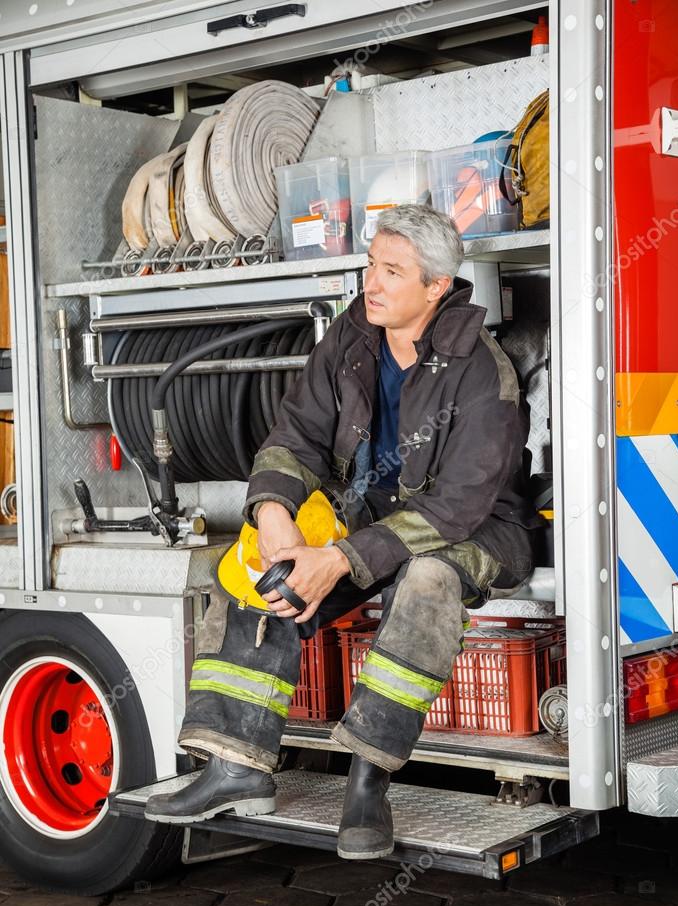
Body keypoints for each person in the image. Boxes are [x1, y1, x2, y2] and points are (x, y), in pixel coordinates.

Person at [145, 204, 538, 859]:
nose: (371, 284)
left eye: (391, 271)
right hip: (366, 516)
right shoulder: (351, 338)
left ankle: (367, 779)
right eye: (369, 266)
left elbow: (457, 505)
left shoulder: (480, 371)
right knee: (250, 565)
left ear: (437, 285)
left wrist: (342, 557)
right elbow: (295, 434)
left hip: (476, 531)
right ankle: (235, 762)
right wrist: (272, 512)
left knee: (428, 580)